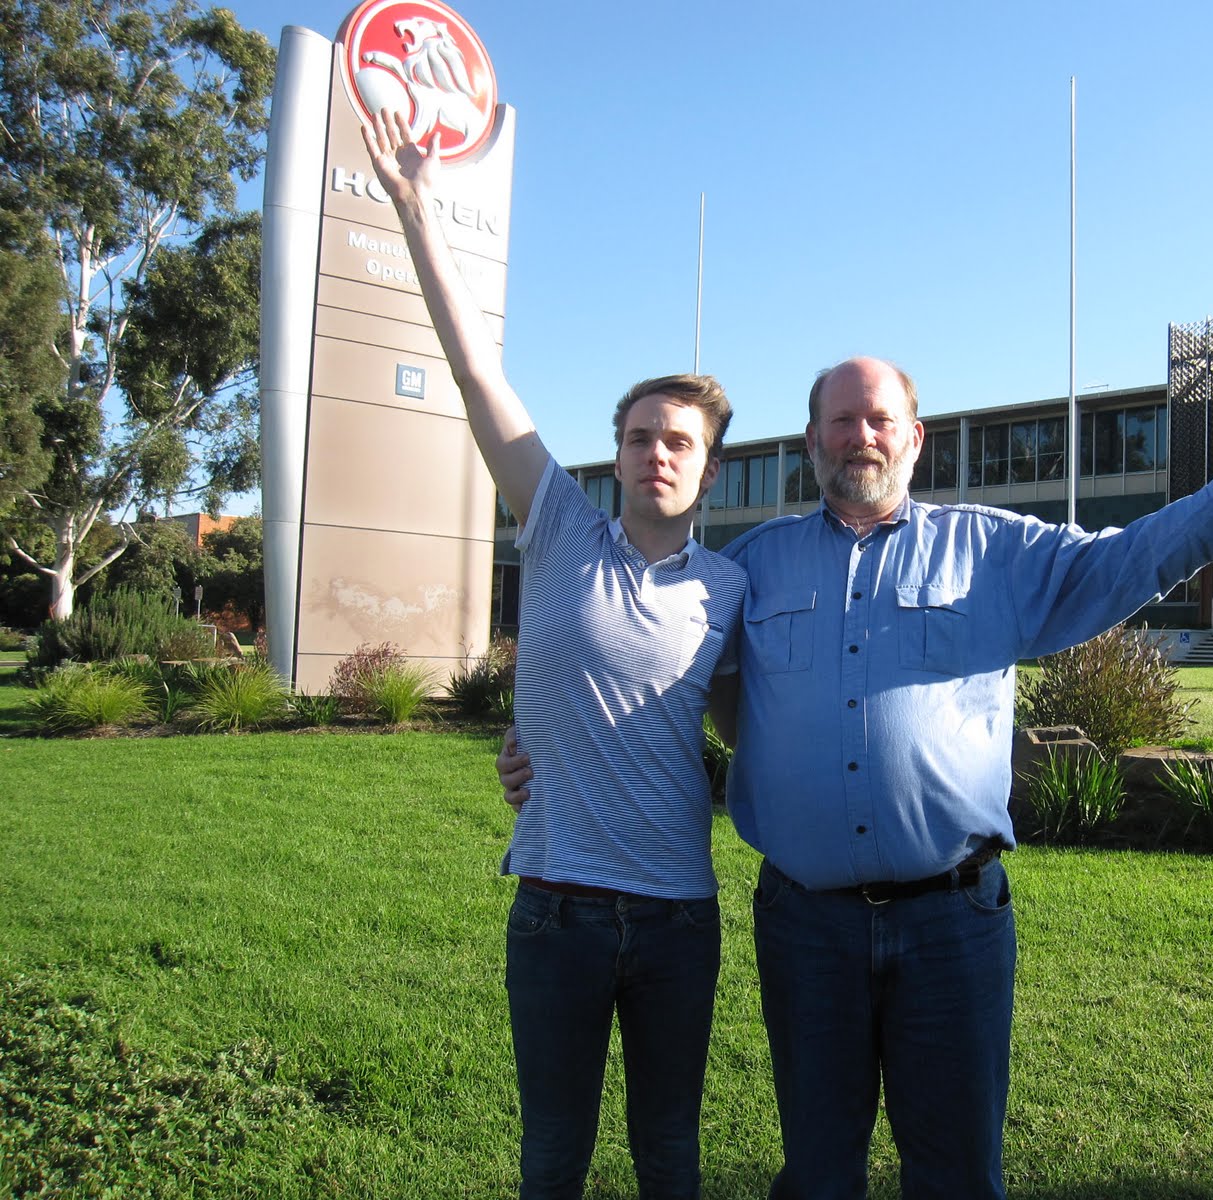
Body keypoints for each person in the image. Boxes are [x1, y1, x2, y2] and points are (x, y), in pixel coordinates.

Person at [502, 360, 1213, 1198]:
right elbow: (660, 678)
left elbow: (1127, 561)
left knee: (957, 1174)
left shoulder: (991, 551)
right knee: (816, 1175)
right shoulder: (750, 569)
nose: (861, 436)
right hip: (807, 930)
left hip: (953, 924)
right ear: (812, 441)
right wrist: (536, 736)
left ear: (914, 439)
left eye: (880, 419)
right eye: (841, 420)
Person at [361, 110, 746, 1200]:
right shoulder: (557, 524)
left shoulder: (732, 587)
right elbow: (475, 369)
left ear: (706, 472)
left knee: (670, 1152)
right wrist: (414, 209)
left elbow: (747, 719)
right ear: (613, 452)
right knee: (551, 1157)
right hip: (556, 910)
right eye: (640, 437)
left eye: (680, 444)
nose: (657, 455)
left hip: (678, 917)